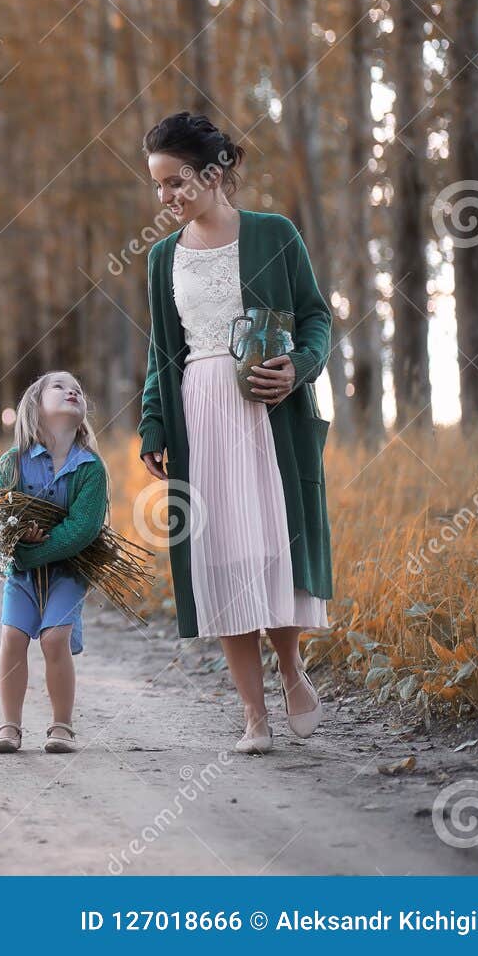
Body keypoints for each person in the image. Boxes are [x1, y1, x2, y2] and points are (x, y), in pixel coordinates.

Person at [137, 111, 333, 755]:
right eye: (158, 186)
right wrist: (154, 422)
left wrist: (299, 369)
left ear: (214, 173)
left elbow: (314, 317)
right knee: (221, 560)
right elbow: (160, 353)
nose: (165, 197)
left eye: (175, 182)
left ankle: (291, 669)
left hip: (268, 411)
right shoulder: (163, 257)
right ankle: (253, 715)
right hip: (200, 414)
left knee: (274, 546)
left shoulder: (275, 233)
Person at [0, 370, 111, 755]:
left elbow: (81, 530)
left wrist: (32, 551)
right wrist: (17, 548)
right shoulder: (14, 463)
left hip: (69, 571)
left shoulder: (90, 468)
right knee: (13, 638)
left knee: (55, 639)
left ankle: (62, 725)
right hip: (21, 575)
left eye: (77, 387)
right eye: (58, 386)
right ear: (35, 406)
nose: (72, 389)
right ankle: (9, 725)